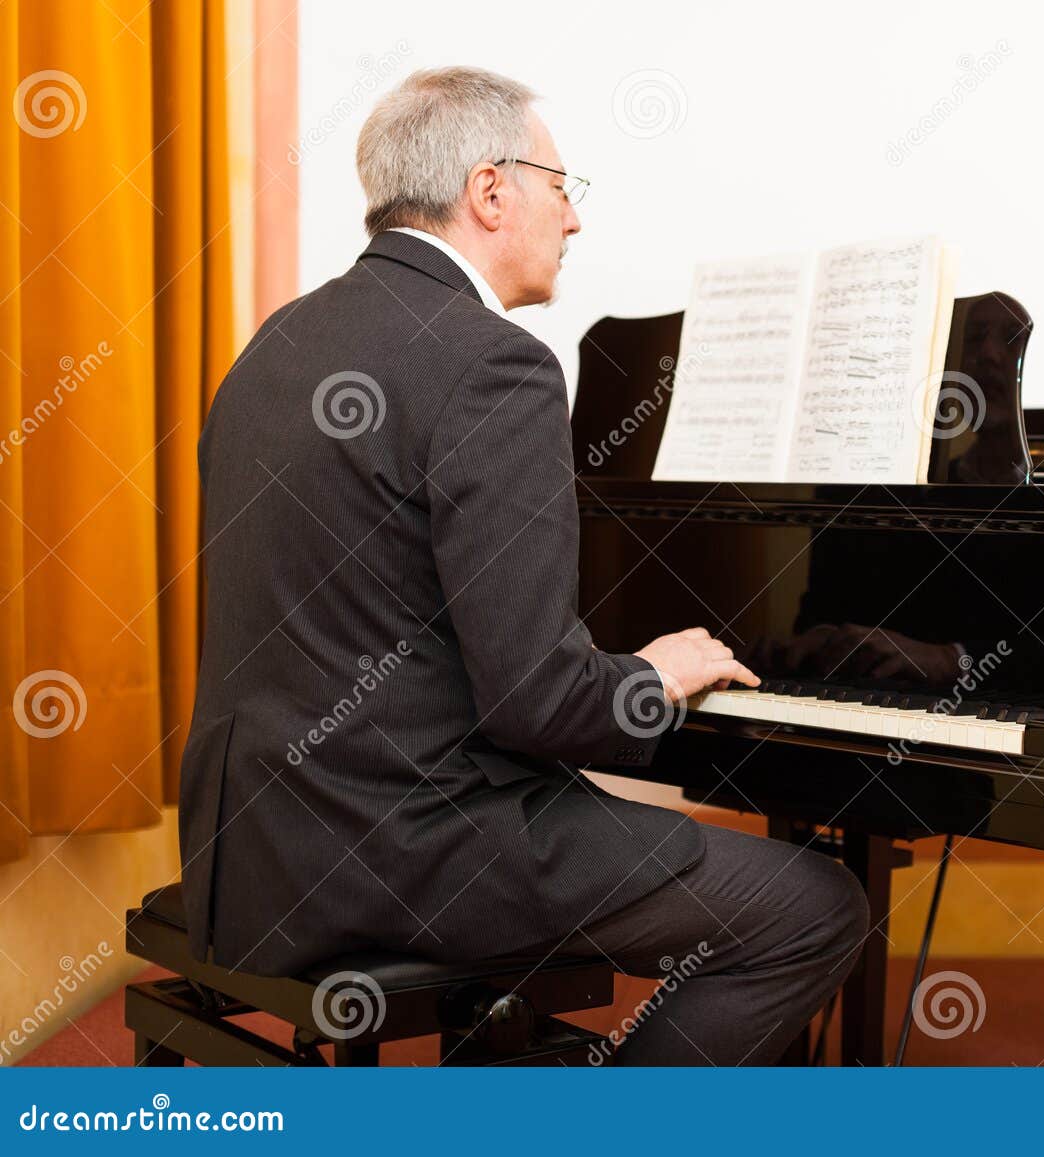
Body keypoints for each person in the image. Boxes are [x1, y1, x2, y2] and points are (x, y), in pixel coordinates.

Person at [176, 65, 867, 1065]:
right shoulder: (492, 364)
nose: (573, 220)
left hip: (257, 845)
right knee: (812, 906)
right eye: (560, 187)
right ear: (490, 190)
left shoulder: (276, 344)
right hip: (408, 843)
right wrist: (651, 677)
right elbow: (536, 701)